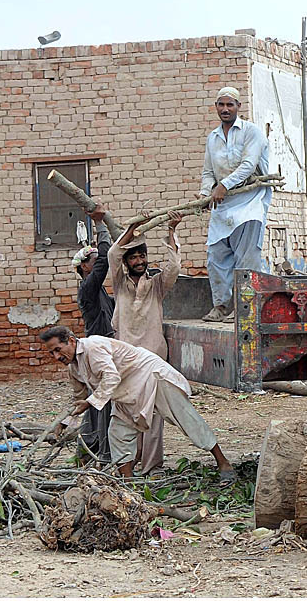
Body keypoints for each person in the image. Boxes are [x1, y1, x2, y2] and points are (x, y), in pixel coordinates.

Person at [41, 326, 235, 482]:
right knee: (117, 433)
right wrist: (62, 423)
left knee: (186, 419)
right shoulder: (73, 368)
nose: (57, 357)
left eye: (58, 349)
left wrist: (91, 403)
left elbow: (110, 377)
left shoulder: (93, 347)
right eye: (52, 354)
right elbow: (77, 399)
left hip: (151, 376)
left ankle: (223, 463)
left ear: (72, 341)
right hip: (126, 391)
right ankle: (128, 483)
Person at [107, 212, 182, 474]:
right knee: (127, 409)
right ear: (127, 262)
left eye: (142, 257)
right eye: (134, 257)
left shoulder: (157, 285)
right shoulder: (120, 284)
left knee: (153, 412)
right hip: (125, 358)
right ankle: (129, 461)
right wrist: (133, 227)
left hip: (153, 357)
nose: (139, 261)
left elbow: (174, 268)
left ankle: (152, 466)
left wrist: (171, 231)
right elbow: (113, 255)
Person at [200, 86, 272, 322]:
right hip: (223, 205)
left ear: (238, 107)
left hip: (249, 202)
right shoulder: (213, 137)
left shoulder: (252, 132)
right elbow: (209, 172)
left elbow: (248, 165)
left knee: (246, 260)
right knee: (216, 257)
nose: (225, 109)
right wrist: (205, 193)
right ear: (216, 107)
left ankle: (245, 309)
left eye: (230, 104)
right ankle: (221, 306)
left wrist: (224, 186)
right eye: (221, 104)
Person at [70, 205, 116, 463]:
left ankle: (90, 448)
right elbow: (106, 260)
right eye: (93, 260)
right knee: (102, 402)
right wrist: (101, 226)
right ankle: (102, 453)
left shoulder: (101, 294)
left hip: (102, 348)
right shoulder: (88, 288)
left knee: (99, 401)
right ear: (85, 268)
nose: (97, 263)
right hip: (96, 351)